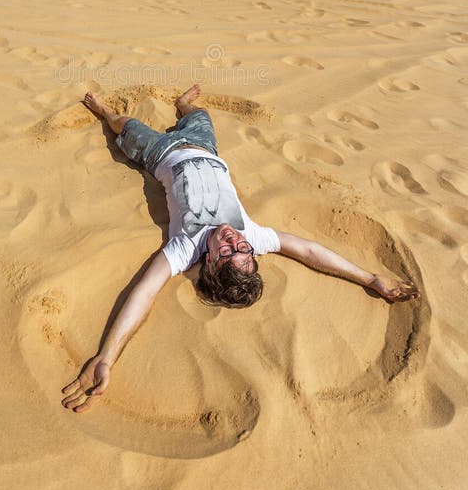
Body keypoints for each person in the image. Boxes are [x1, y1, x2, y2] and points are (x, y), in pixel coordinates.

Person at [61, 84, 419, 413]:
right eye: (244, 251)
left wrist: (106, 356)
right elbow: (310, 252)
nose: (236, 242)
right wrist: (370, 278)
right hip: (206, 147)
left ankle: (105, 111)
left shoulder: (185, 247)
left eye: (229, 251)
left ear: (209, 262)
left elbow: (142, 295)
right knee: (199, 115)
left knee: (124, 124)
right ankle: (183, 105)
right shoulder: (254, 236)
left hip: (159, 154)